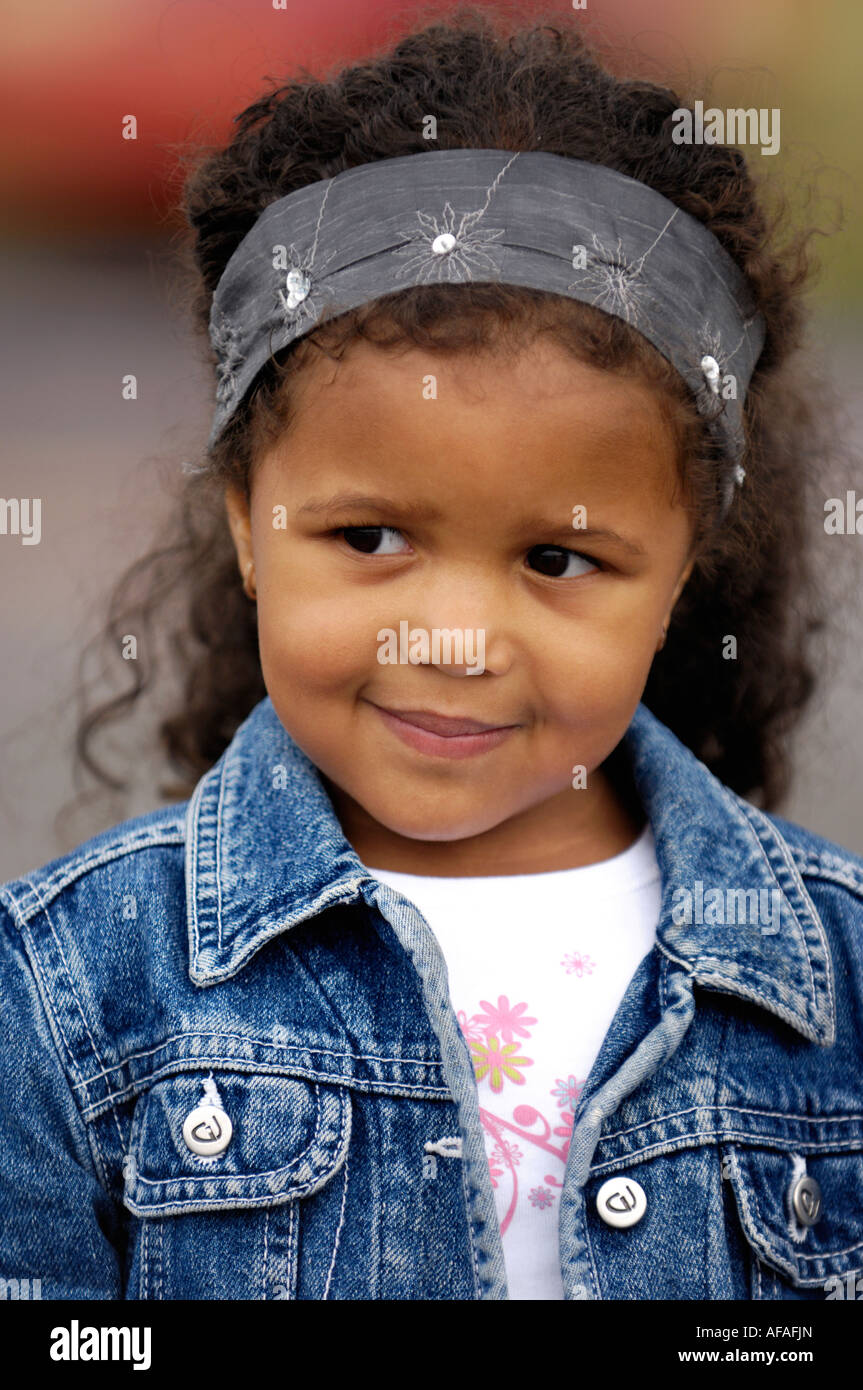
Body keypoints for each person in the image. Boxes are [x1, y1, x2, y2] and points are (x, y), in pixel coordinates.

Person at [1, 8, 861, 1302]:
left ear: (687, 568)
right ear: (245, 519)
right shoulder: (72, 984)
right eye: (372, 536)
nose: (452, 636)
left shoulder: (837, 982)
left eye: (558, 561)